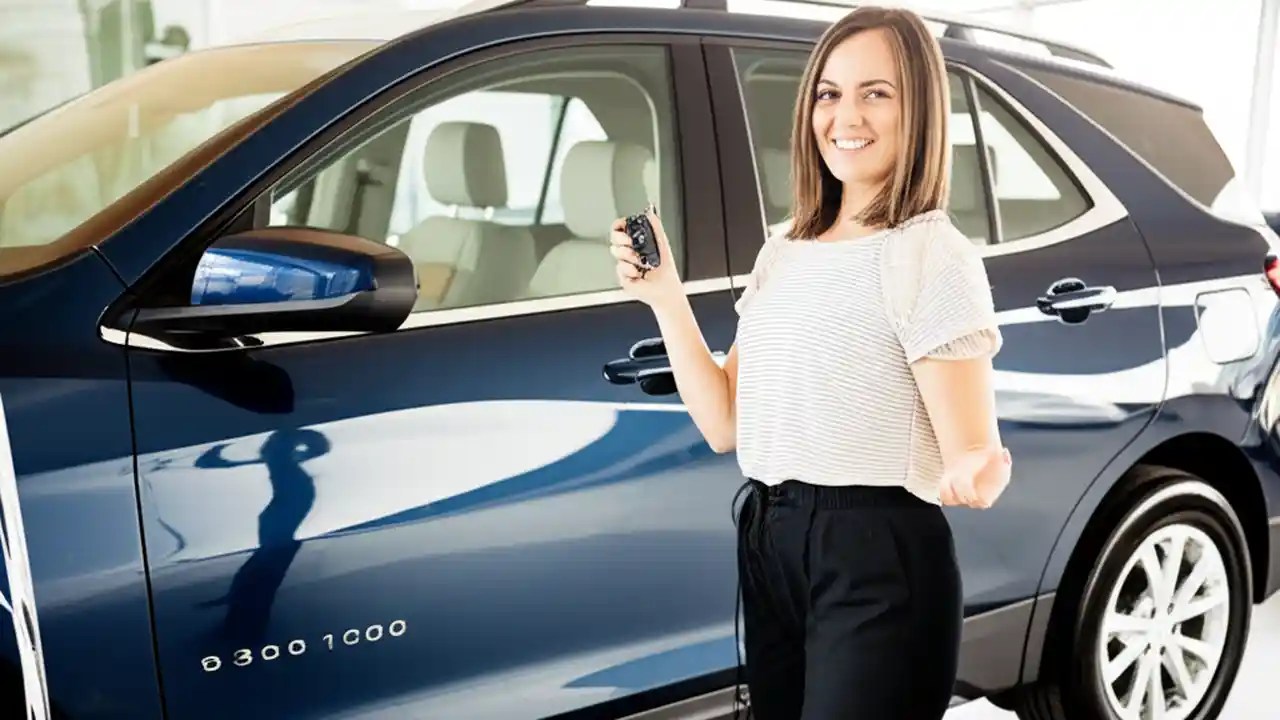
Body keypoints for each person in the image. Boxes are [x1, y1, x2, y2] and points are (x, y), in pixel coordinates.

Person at [610, 5, 1012, 719]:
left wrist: (975, 467)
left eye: (875, 93)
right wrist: (664, 298)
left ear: (918, 108)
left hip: (874, 556)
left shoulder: (930, 255)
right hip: (771, 536)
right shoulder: (787, 249)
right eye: (829, 93)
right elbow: (725, 424)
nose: (845, 115)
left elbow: (972, 449)